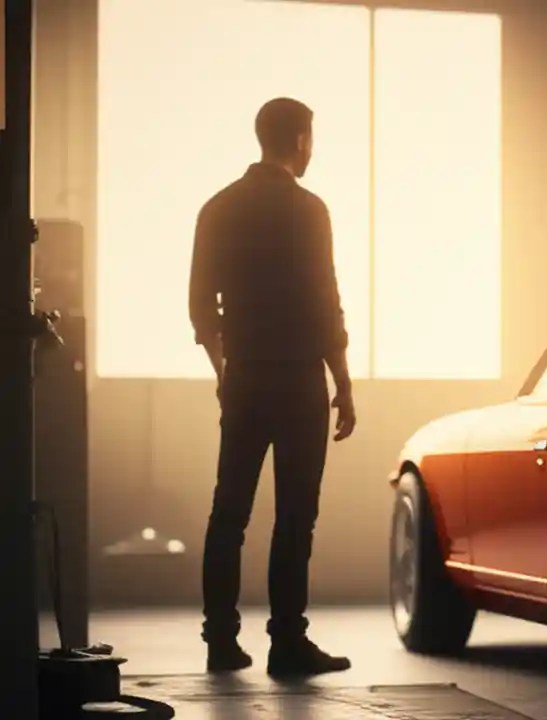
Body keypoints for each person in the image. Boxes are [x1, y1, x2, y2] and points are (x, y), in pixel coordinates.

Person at [189, 97, 356, 676]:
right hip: (299, 382)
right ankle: (287, 643)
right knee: (294, 519)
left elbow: (200, 308)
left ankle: (220, 642)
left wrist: (223, 371)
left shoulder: (218, 208)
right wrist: (345, 383)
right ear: (302, 139)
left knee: (227, 512)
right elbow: (325, 302)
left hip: (246, 379)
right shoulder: (310, 211)